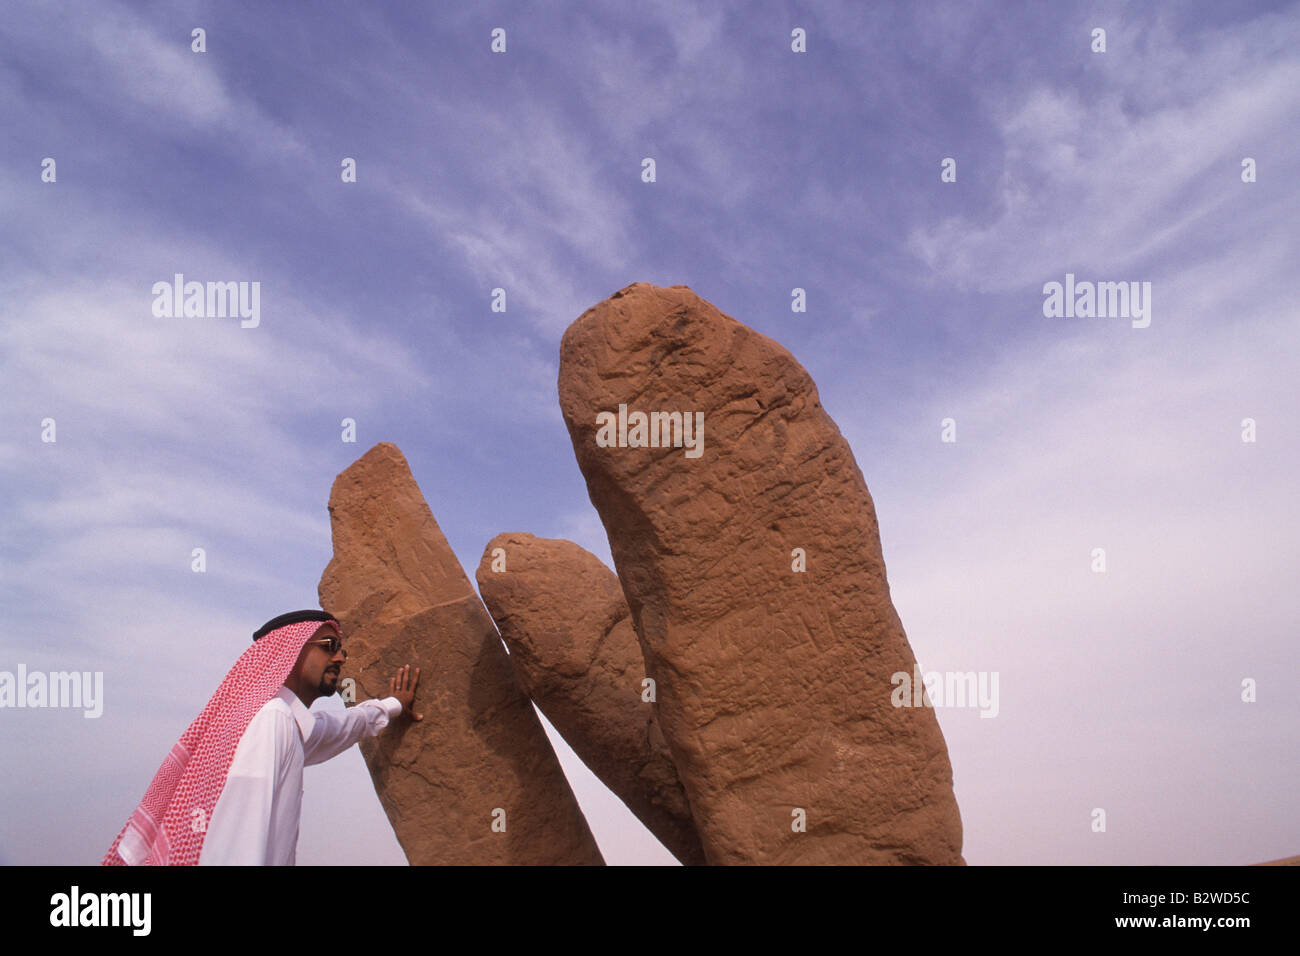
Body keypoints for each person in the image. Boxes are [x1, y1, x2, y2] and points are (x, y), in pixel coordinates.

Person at [102, 609, 421, 866]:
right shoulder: (271, 720)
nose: (340, 658)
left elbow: (335, 728)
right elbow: (238, 847)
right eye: (329, 647)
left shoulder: (278, 722)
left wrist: (392, 705)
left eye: (341, 650)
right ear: (291, 650)